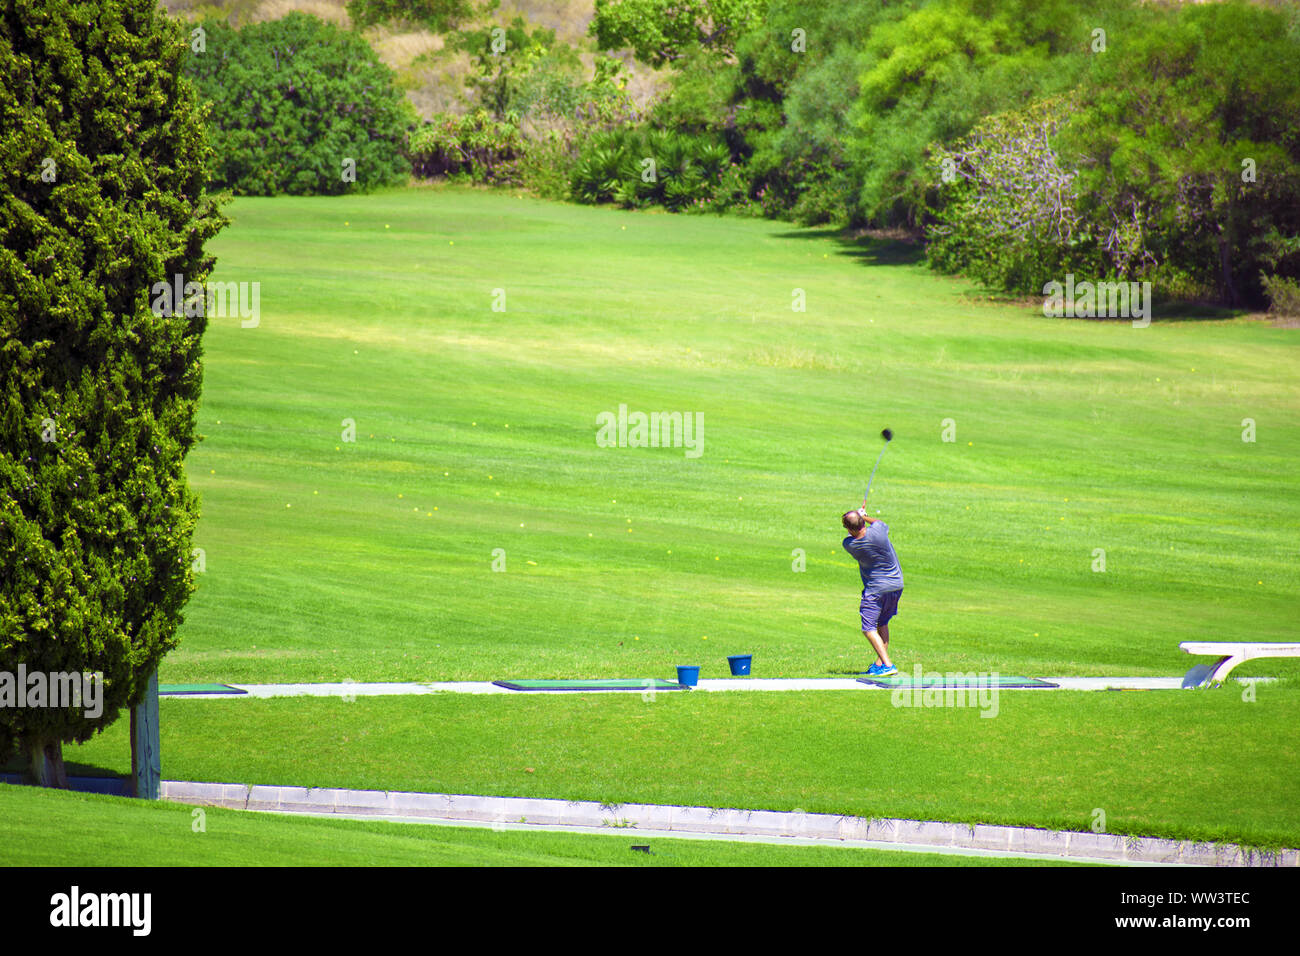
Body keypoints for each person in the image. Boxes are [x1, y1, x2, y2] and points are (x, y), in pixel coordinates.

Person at [842, 508, 904, 676]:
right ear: (863, 523)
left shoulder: (849, 544)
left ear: (848, 528)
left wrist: (858, 517)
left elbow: (853, 534)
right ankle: (879, 665)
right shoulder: (879, 533)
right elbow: (878, 523)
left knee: (868, 628)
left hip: (875, 590)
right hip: (896, 585)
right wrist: (864, 516)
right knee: (882, 623)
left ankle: (888, 665)